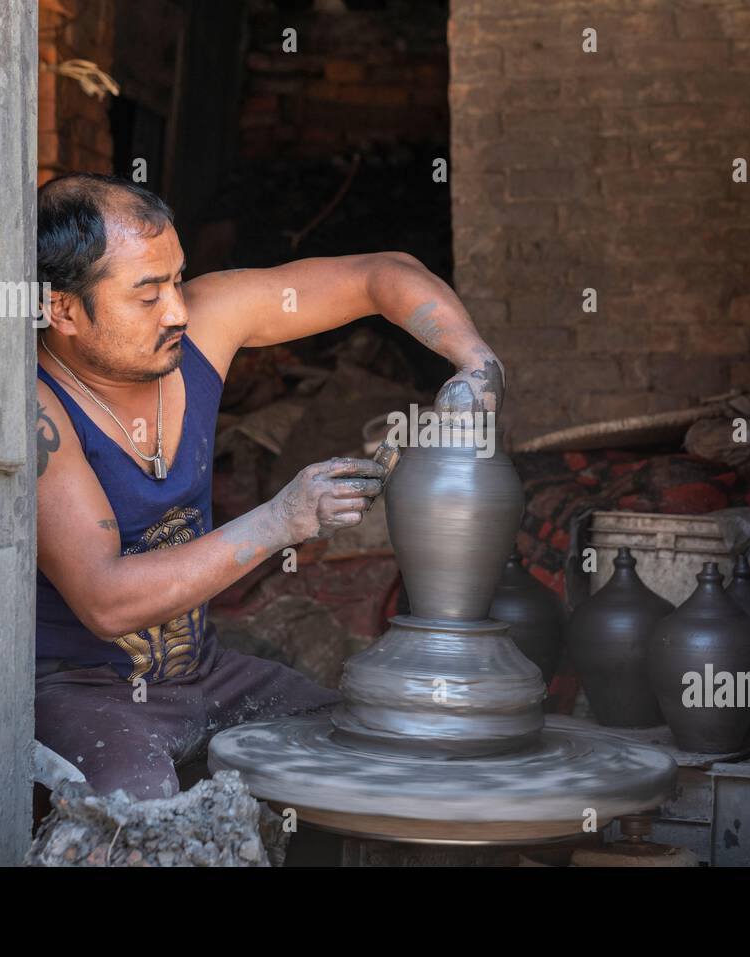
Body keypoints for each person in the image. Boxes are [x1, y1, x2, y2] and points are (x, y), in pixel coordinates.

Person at [33, 173, 504, 799]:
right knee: (140, 817)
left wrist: (474, 360)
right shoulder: (38, 409)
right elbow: (106, 601)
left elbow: (380, 273)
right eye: (148, 296)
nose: (178, 309)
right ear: (61, 308)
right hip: (81, 690)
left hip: (205, 672)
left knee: (367, 746)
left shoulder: (205, 321)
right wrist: (280, 519)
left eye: (177, 278)